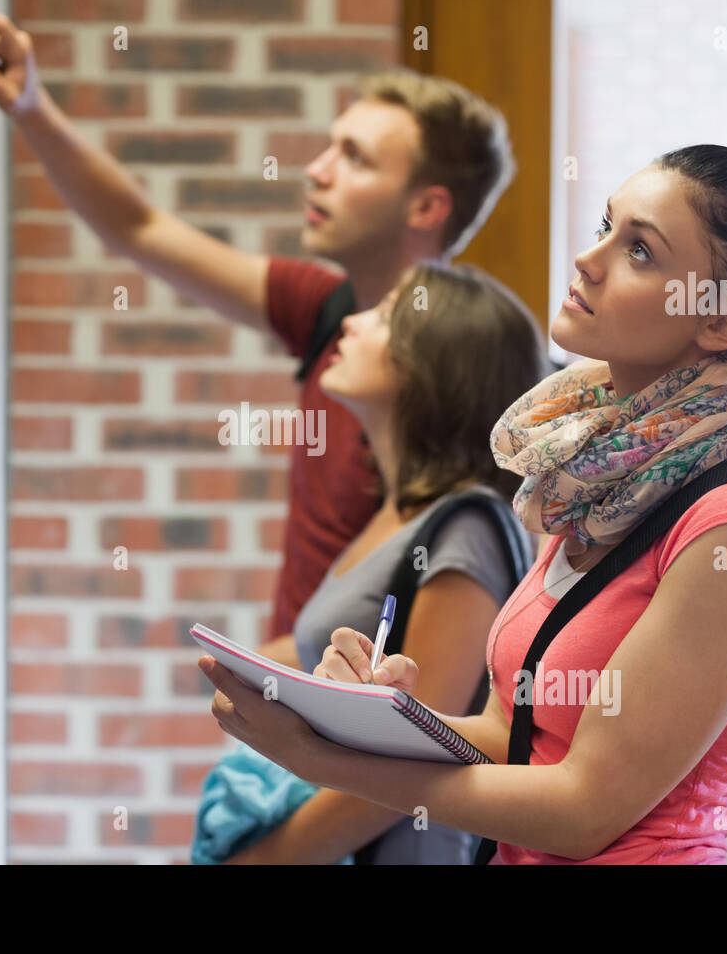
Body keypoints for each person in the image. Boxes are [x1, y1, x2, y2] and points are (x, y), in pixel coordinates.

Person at [201, 144, 727, 863]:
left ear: (725, 323)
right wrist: (382, 720)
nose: (592, 260)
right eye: (606, 228)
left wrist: (325, 762)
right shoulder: (606, 469)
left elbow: (585, 809)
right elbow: (514, 738)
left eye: (641, 251)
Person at [0, 0, 516, 657]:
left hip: (333, 728)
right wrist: (31, 107)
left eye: (355, 158)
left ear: (427, 206)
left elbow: (436, 658)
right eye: (328, 147)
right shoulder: (325, 308)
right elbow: (140, 227)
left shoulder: (457, 384)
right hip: (292, 710)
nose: (317, 169)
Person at [218, 261, 548, 864]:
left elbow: (408, 767)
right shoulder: (395, 515)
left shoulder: (465, 525)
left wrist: (259, 862)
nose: (349, 321)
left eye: (383, 314)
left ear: (434, 360)